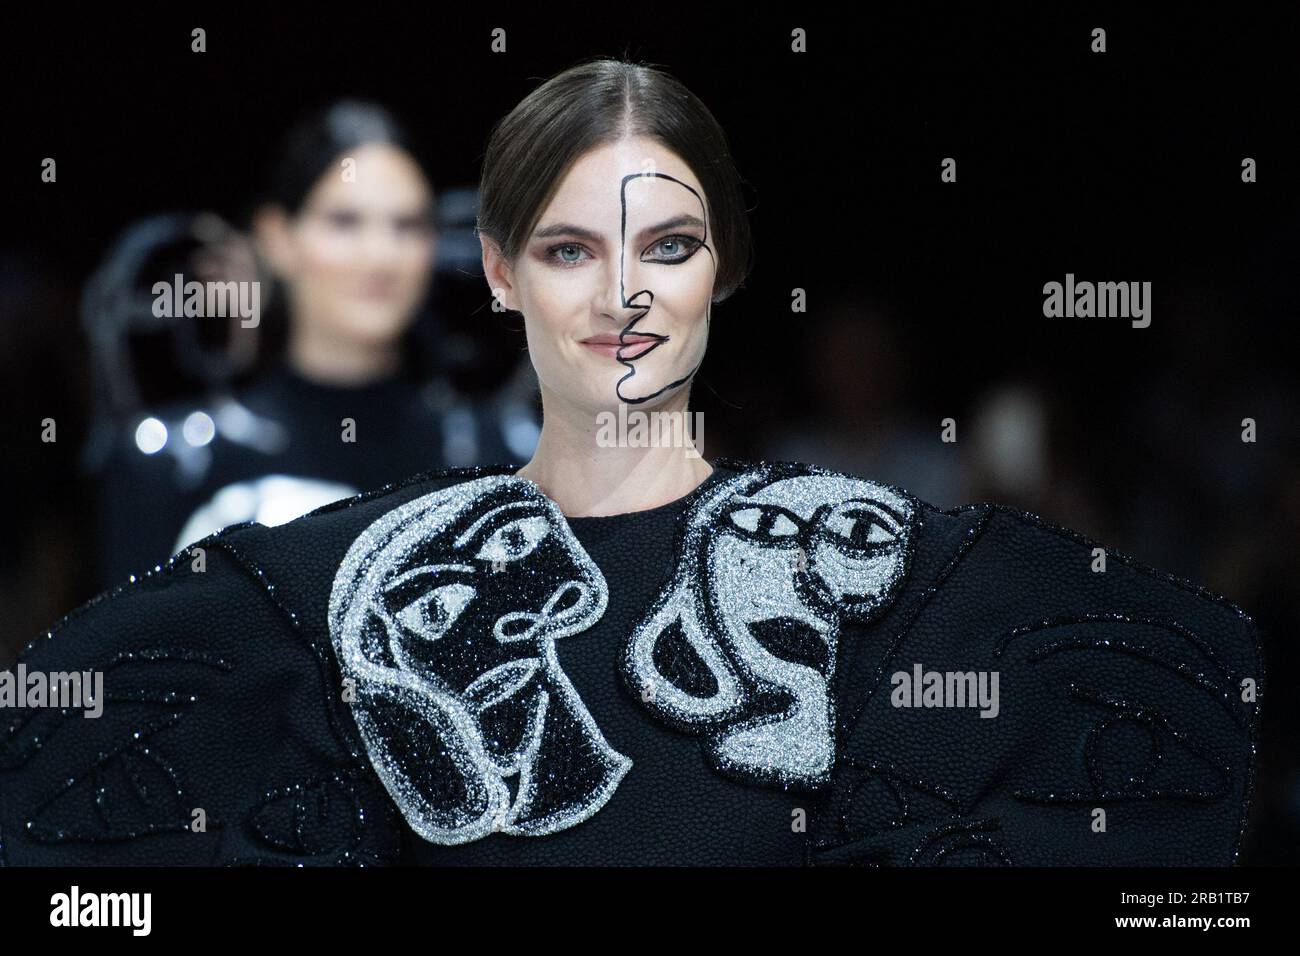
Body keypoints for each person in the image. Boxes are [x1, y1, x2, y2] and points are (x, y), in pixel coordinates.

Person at [0, 60, 1262, 867]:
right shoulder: (324, 593)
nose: (623, 296)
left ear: (729, 267)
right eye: (565, 250)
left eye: (667, 244)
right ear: (498, 270)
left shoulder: (904, 584)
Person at [93, 100, 533, 588]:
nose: (380, 255)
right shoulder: (176, 463)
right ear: (277, 237)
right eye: (345, 222)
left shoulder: (500, 452)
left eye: (407, 226)